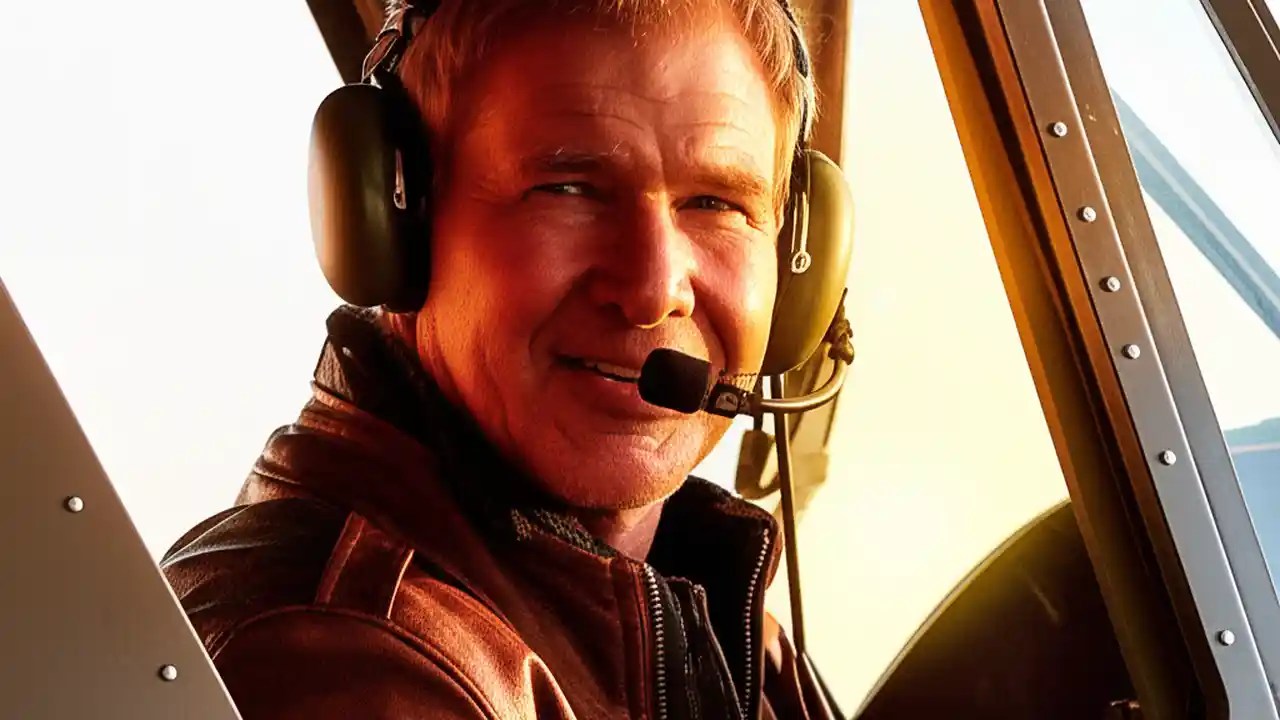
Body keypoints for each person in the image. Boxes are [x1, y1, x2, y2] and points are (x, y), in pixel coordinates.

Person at [161, 0, 845, 717]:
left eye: (716, 203)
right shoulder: (337, 662)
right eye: (569, 189)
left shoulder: (700, 612)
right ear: (399, 220)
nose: (652, 290)